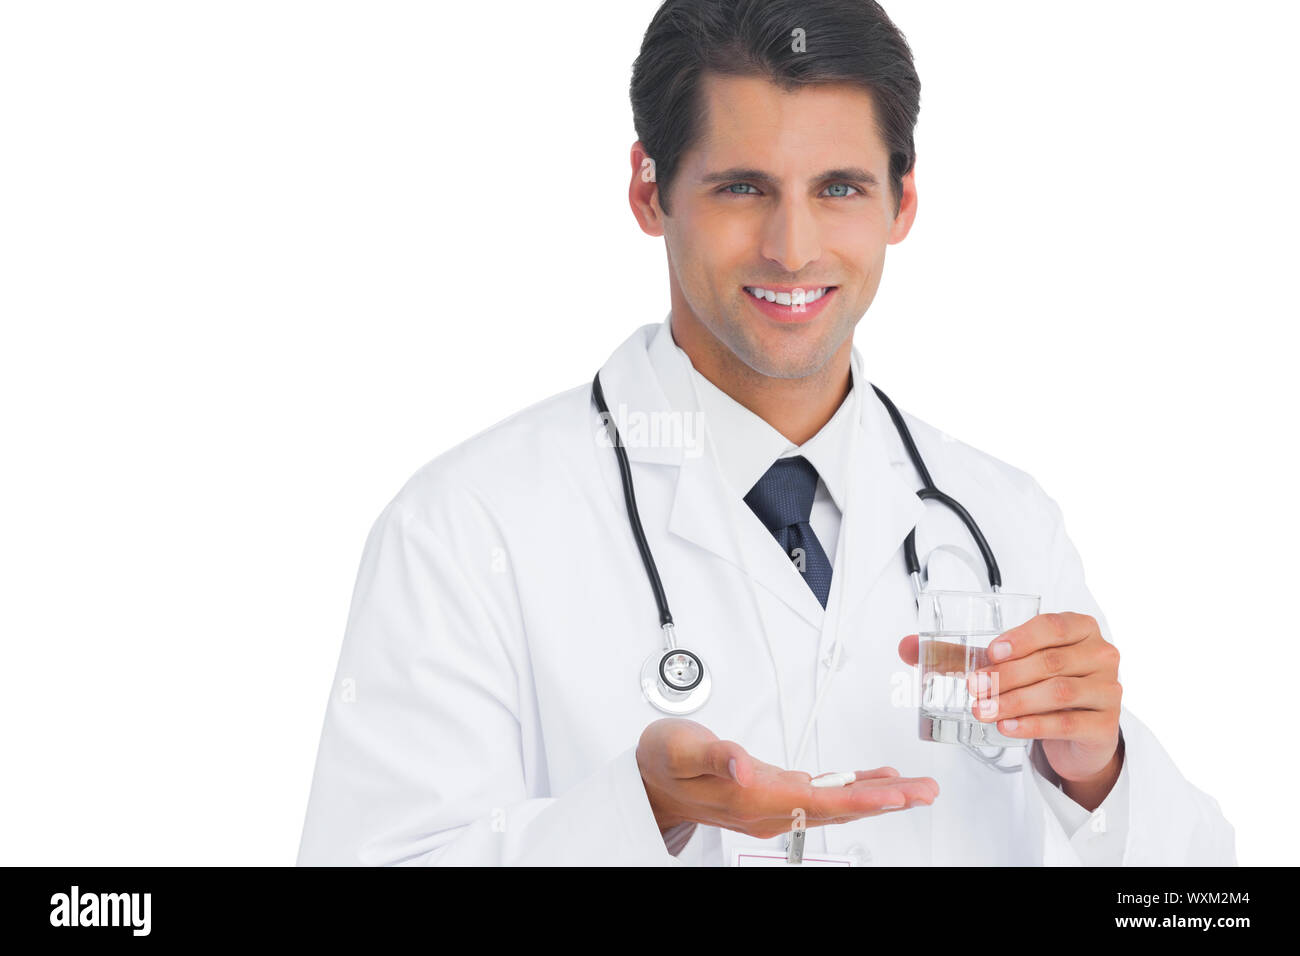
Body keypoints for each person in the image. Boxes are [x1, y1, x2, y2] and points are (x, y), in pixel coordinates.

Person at [296, 0, 1235, 866]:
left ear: (902, 203)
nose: (793, 247)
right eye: (744, 187)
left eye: (839, 188)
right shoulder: (467, 529)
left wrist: (1099, 777)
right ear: (647, 188)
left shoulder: (1002, 523)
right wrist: (642, 816)